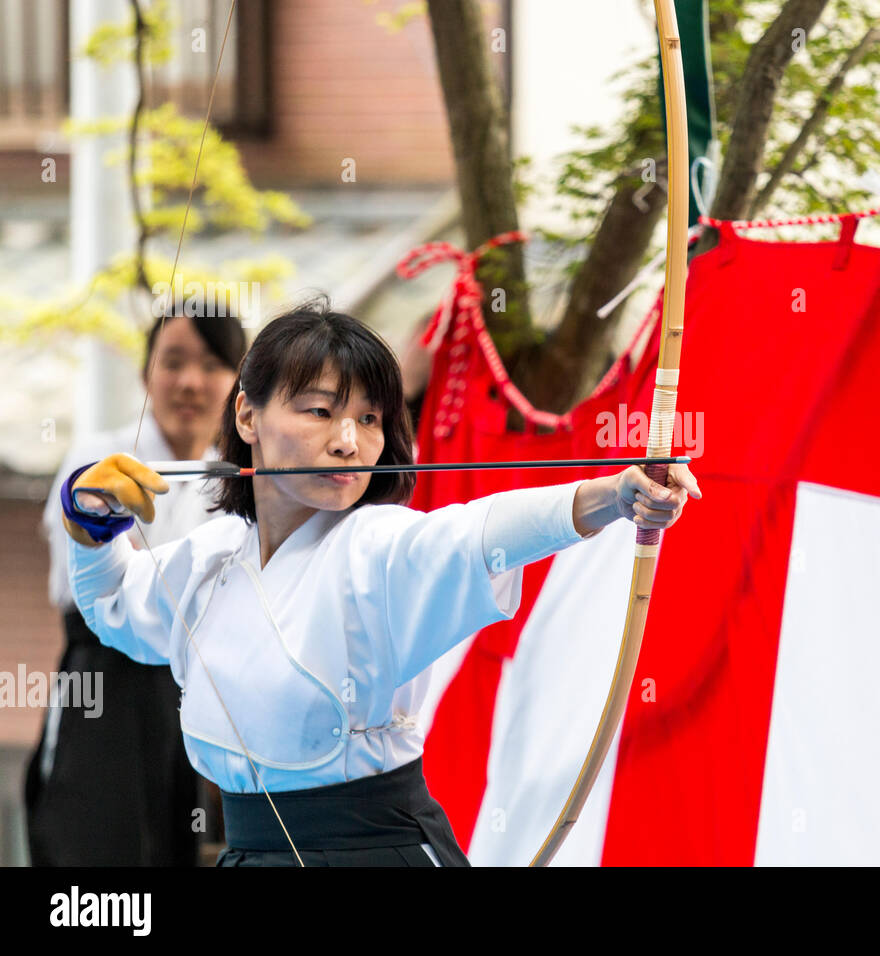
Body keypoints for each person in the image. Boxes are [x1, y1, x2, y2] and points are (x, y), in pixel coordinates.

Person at [58, 298, 700, 866]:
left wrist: (615, 493)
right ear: (248, 417)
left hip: (371, 848)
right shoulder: (212, 553)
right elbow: (115, 604)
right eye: (318, 410)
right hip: (251, 848)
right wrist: (87, 522)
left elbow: (482, 530)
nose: (348, 442)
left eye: (369, 420)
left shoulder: (381, 545)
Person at [26, 303, 246, 865]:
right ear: (146, 371)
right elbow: (88, 560)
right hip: (104, 680)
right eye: (172, 362)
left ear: (240, 383)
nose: (190, 382)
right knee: (93, 849)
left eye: (213, 364)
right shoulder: (99, 461)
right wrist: (90, 508)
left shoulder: (242, 481)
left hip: (193, 690)